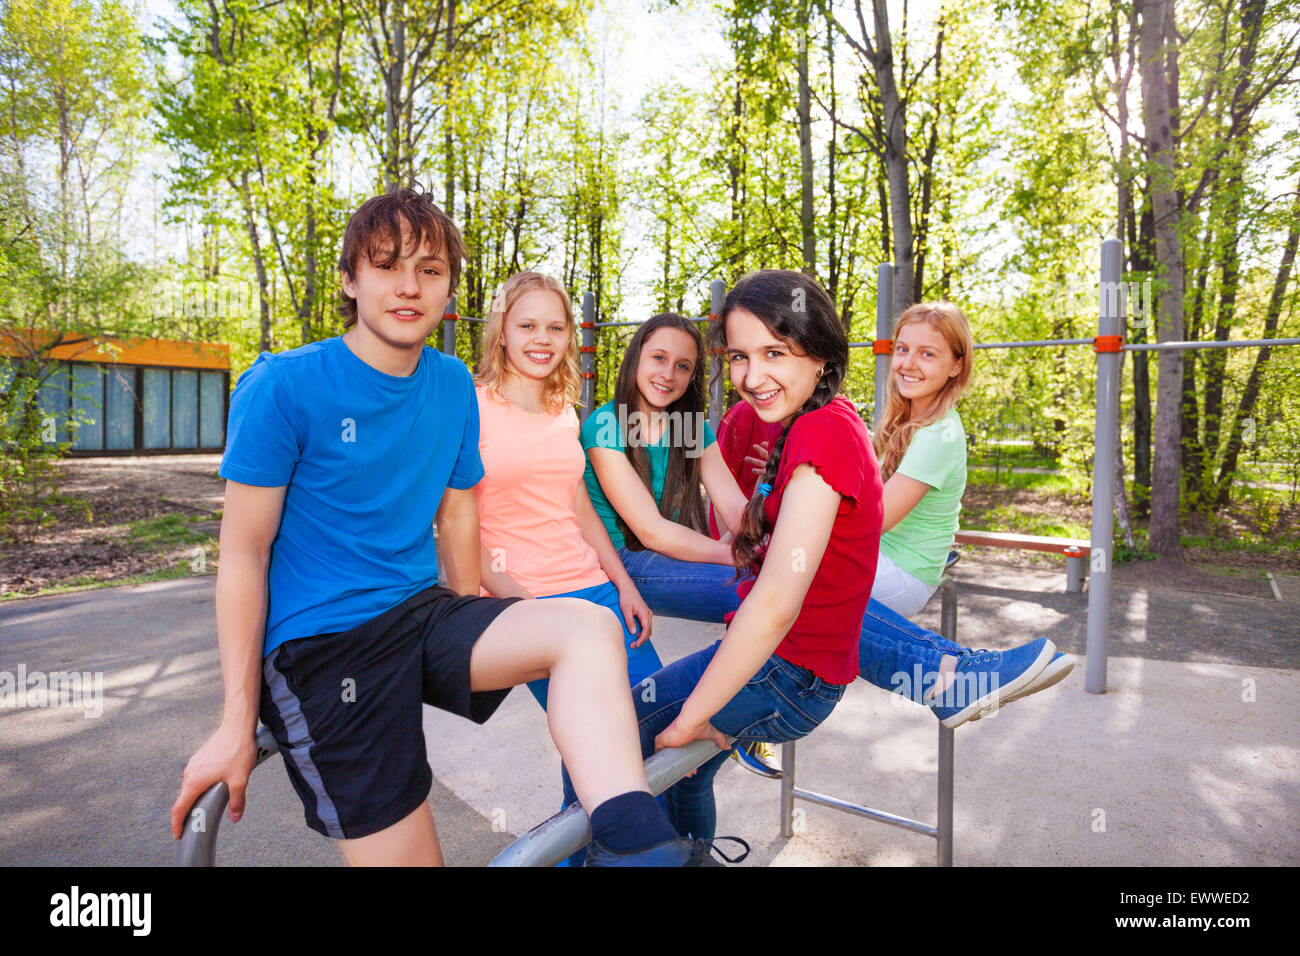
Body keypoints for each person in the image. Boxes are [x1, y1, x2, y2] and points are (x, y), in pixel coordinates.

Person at [168, 188, 712, 867]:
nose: (408, 286)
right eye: (386, 265)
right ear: (349, 278)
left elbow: (460, 510)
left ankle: (631, 838)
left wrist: (479, 619)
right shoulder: (283, 385)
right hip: (324, 648)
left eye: (428, 270)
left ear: (449, 288)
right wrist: (232, 721)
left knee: (586, 624)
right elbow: (243, 556)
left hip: (423, 615)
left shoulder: (449, 382)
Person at [578, 269, 1053, 847]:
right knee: (687, 771)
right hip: (794, 662)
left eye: (774, 352)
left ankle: (586, 856)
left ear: (822, 355)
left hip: (787, 669)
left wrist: (695, 714)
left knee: (607, 736)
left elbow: (777, 600)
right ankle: (946, 675)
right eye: (739, 358)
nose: (753, 377)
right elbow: (722, 529)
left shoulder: (818, 437)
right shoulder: (822, 421)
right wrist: (745, 540)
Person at [472, 271, 658, 710]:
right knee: (600, 734)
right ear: (502, 332)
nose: (543, 339)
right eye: (527, 326)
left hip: (593, 587)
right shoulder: (470, 406)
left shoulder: (564, 412)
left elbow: (578, 508)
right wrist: (522, 602)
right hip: (525, 598)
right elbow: (452, 523)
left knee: (659, 718)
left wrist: (623, 585)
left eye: (556, 327)